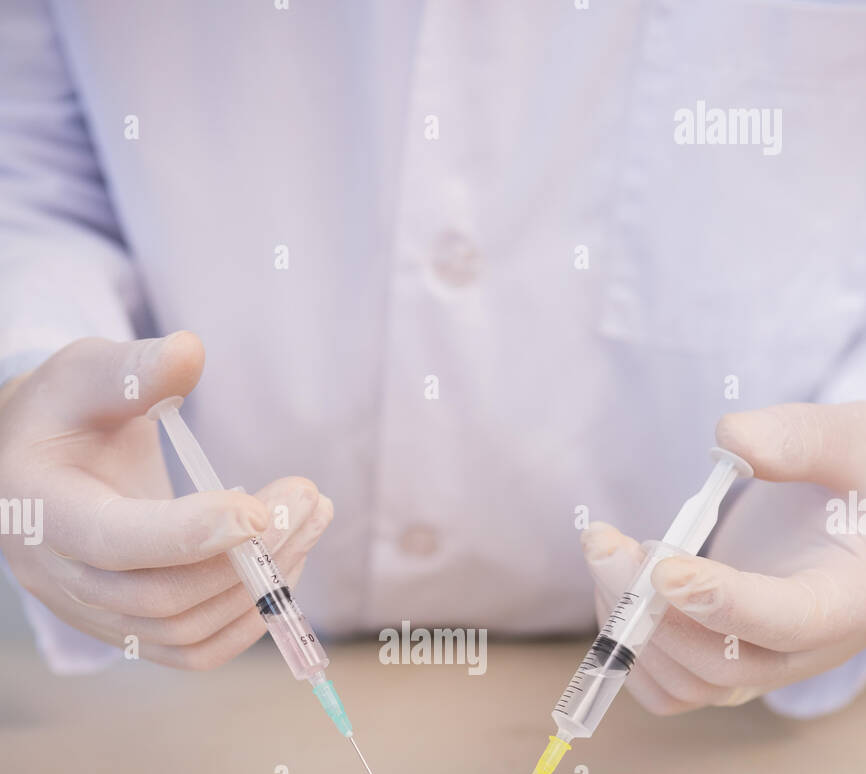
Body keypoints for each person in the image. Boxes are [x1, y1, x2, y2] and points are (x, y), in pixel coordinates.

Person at [1, 0, 865, 718]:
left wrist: (847, 498)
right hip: (174, 696)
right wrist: (30, 370)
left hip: (729, 733)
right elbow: (30, 161)